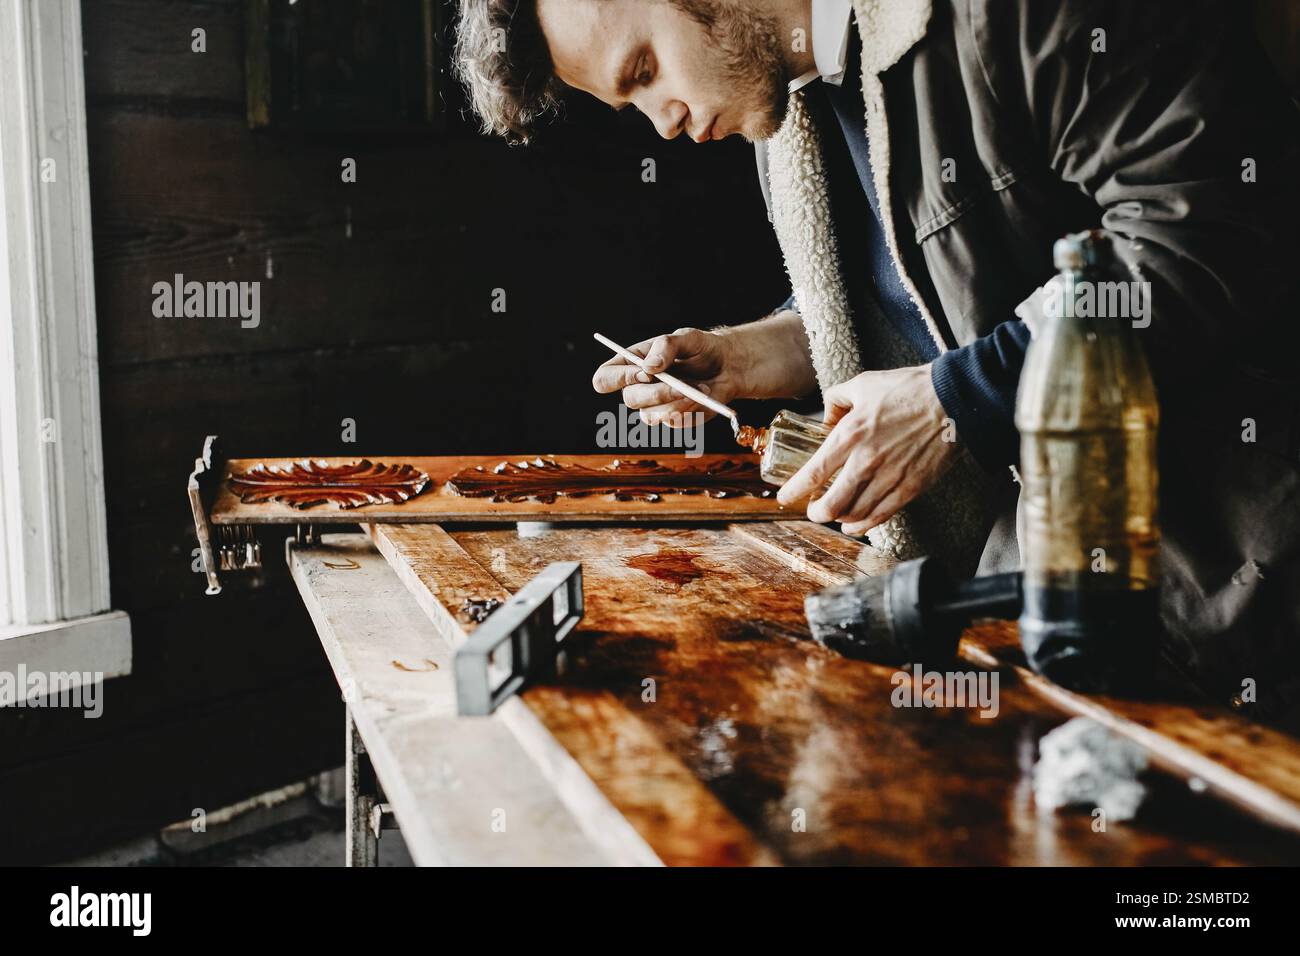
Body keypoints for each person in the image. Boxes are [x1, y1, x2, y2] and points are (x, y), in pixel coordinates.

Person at [454, 0, 1300, 726]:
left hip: (1239, 578)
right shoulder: (794, 107)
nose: (662, 121)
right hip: (1050, 592)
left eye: (643, 69)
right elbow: (910, 302)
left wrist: (953, 401)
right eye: (626, 104)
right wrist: (751, 354)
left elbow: (1205, 234)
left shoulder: (1008, 16)